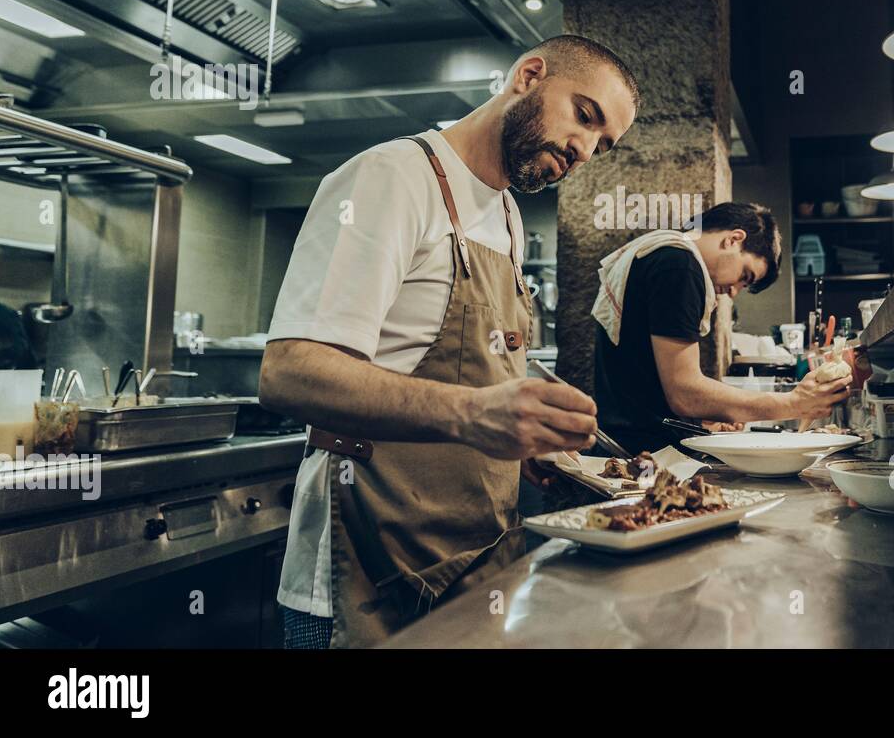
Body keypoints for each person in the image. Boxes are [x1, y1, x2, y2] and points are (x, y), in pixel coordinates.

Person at [259, 35, 638, 648]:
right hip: (369, 574)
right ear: (529, 75)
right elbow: (291, 372)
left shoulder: (510, 217)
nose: (584, 149)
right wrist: (473, 413)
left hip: (480, 561)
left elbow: (478, 368)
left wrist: (533, 435)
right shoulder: (389, 177)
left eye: (602, 143)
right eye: (584, 116)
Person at [591, 202, 852, 455]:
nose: (734, 291)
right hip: (643, 453)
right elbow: (685, 393)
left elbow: (642, 372)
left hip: (625, 442)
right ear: (734, 239)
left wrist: (707, 416)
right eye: (744, 276)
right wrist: (793, 404)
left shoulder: (658, 252)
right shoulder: (679, 264)